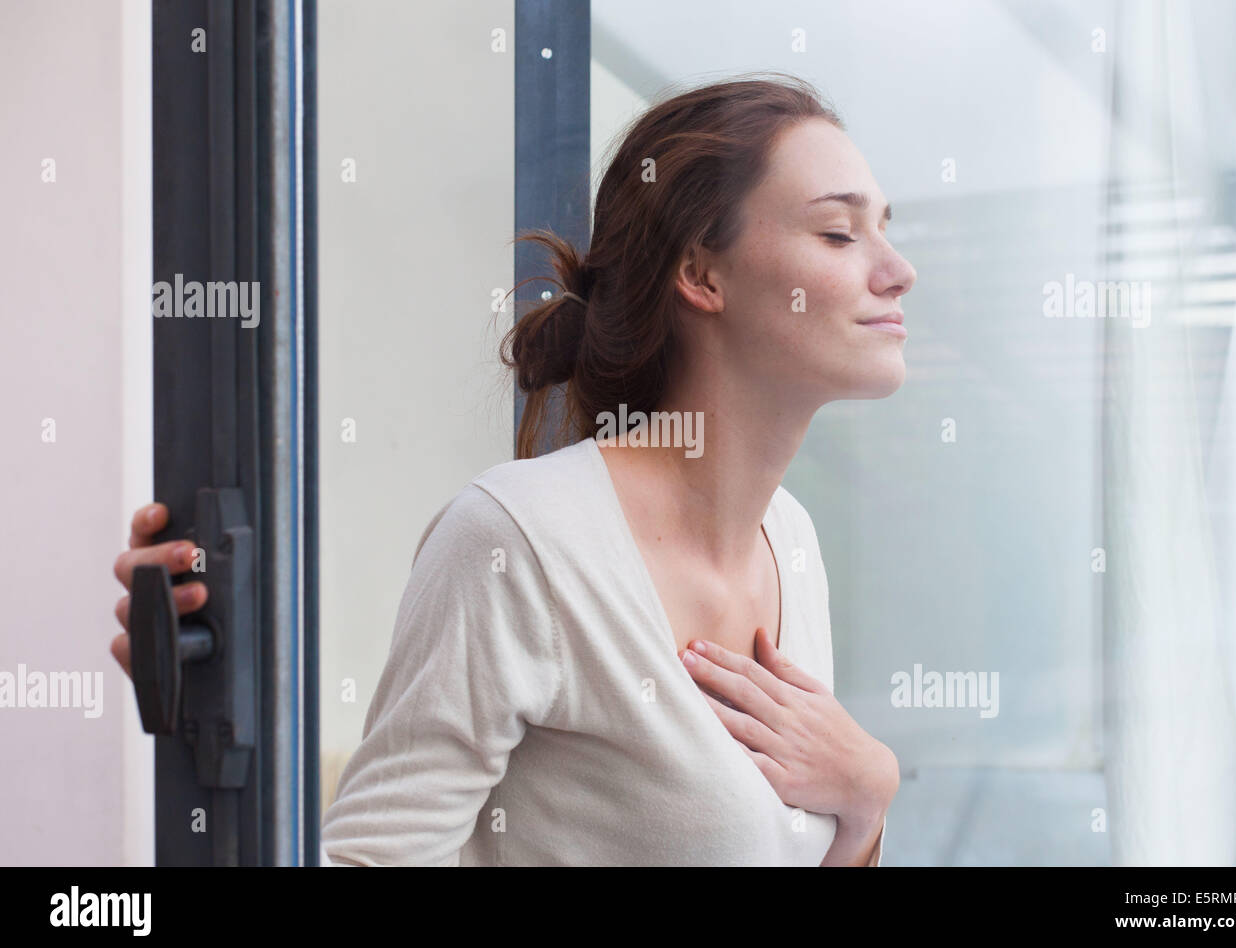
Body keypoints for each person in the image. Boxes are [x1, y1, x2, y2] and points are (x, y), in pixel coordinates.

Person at [111, 72, 914, 865]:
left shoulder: (792, 542)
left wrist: (866, 800)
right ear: (702, 274)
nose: (897, 269)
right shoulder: (521, 544)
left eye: (885, 226)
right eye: (841, 234)